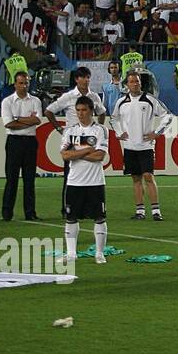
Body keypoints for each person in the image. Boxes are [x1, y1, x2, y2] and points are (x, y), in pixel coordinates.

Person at [44, 66, 109, 220]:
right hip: (74, 139)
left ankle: (87, 209)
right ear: (76, 79)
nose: (86, 80)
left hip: (91, 137)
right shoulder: (68, 97)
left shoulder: (94, 97)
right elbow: (49, 110)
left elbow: (102, 112)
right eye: (83, 77)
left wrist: (98, 127)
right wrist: (60, 129)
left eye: (88, 77)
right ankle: (66, 208)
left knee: (92, 175)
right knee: (70, 175)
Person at [112, 70, 173, 220]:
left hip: (146, 146)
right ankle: (140, 211)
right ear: (127, 84)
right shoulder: (121, 102)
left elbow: (168, 116)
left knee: (148, 176)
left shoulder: (150, 100)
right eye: (132, 81)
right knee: (135, 178)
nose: (135, 84)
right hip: (129, 146)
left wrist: (157, 132)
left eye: (137, 81)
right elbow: (114, 119)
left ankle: (156, 211)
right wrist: (120, 132)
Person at [60, 96, 110, 265]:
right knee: (71, 218)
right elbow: (65, 155)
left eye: (84, 110)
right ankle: (72, 253)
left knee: (99, 218)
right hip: (74, 182)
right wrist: (88, 149)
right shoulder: (70, 131)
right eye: (78, 110)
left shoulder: (100, 130)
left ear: (91, 111)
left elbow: (100, 156)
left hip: (95, 182)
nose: (80, 114)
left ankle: (99, 253)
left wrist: (77, 152)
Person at [1, 71, 43, 222]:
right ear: (15, 84)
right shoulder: (7, 101)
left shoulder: (35, 100)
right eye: (21, 83)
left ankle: (30, 212)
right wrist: (27, 120)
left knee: (29, 179)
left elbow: (37, 121)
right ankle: (7, 213)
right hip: (14, 142)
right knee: (12, 178)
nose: (24, 86)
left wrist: (17, 119)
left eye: (26, 83)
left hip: (30, 142)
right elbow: (9, 124)